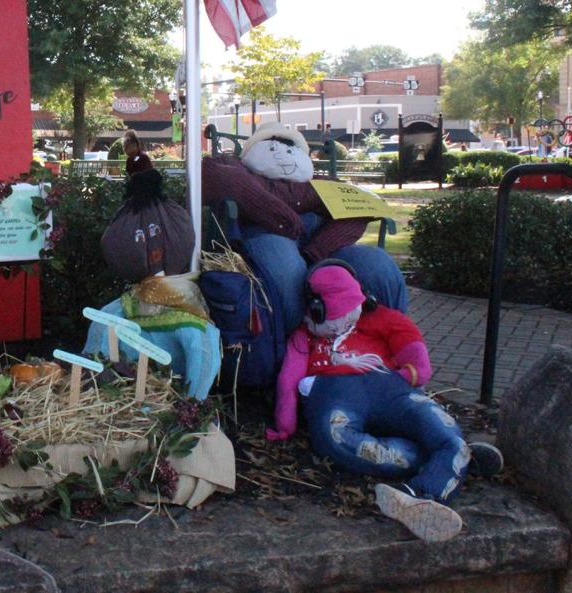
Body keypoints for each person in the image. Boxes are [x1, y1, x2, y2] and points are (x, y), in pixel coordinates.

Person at [267, 261, 503, 541]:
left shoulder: (377, 318)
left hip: (390, 387)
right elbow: (288, 380)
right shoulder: (304, 336)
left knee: (436, 422)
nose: (348, 319)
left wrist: (414, 370)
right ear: (315, 309)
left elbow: (406, 336)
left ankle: (419, 493)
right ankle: (448, 462)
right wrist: (286, 423)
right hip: (335, 396)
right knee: (336, 437)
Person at [202, 122, 407, 335]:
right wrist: (281, 214)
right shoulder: (234, 166)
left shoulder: (320, 181)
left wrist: (317, 251)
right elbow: (212, 174)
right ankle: (295, 346)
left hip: (323, 246)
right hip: (267, 235)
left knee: (377, 265)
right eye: (271, 147)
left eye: (290, 149)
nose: (282, 154)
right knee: (285, 266)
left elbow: (359, 207)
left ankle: (392, 338)